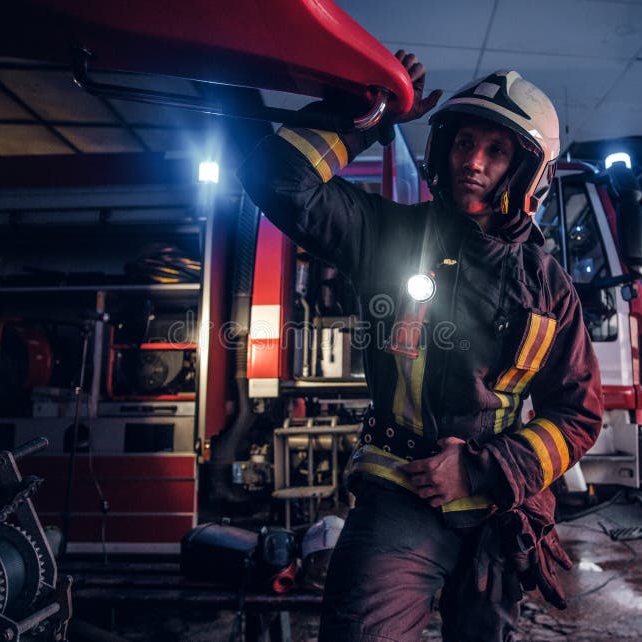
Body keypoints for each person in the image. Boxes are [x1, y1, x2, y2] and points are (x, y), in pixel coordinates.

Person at [238, 51, 603, 642]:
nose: (473, 162)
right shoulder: (386, 234)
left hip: (497, 517)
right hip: (397, 506)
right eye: (464, 144)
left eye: (496, 150)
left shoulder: (549, 287)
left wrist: (485, 470)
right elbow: (276, 179)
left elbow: (578, 414)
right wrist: (362, 113)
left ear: (529, 170)